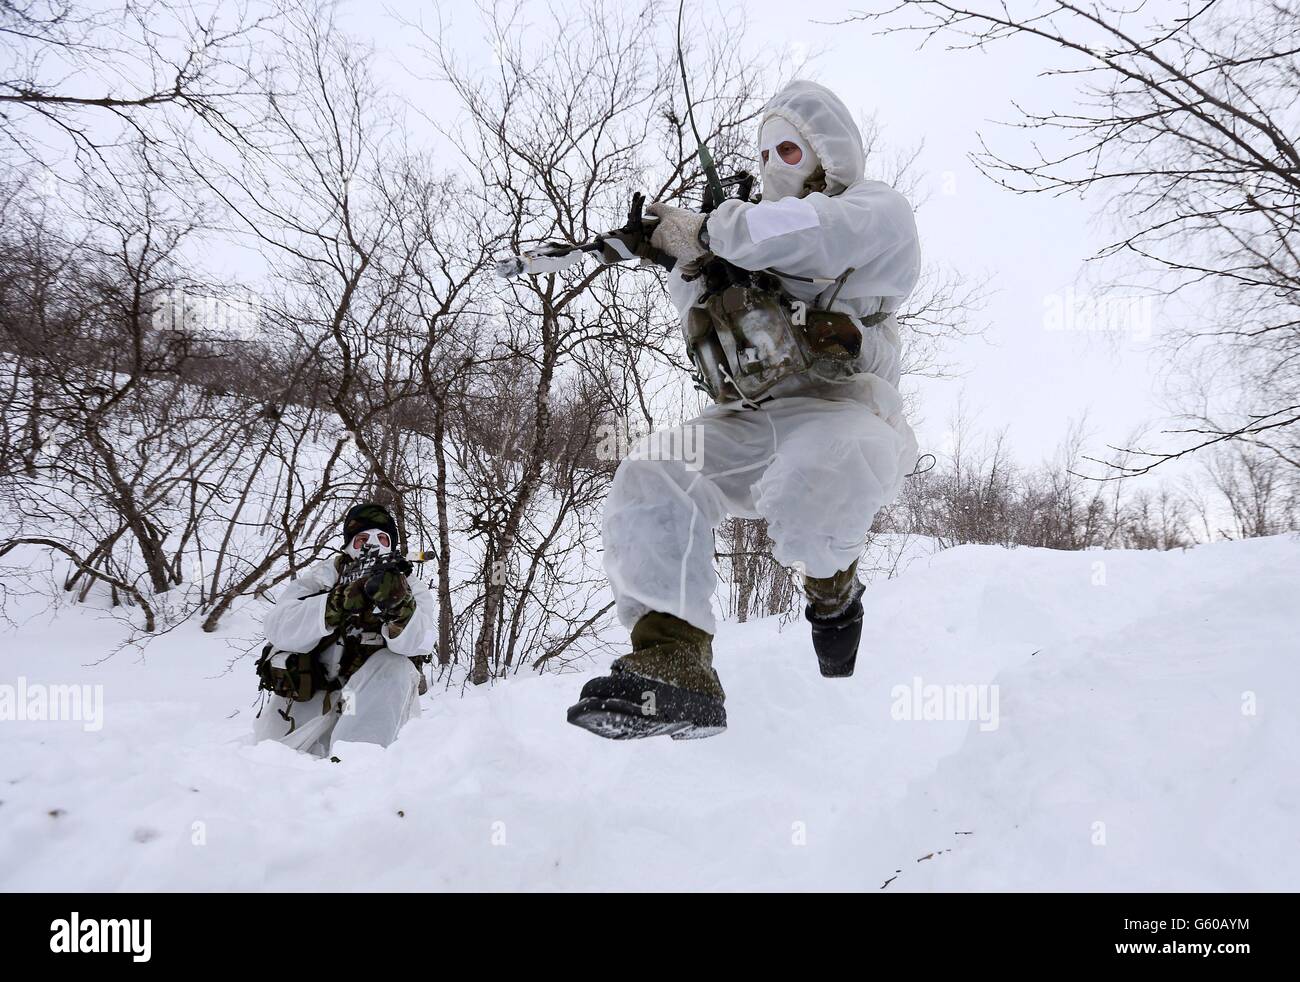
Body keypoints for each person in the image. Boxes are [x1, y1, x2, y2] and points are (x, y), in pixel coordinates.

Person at [566, 80, 921, 741]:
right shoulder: (747, 238)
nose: (773, 167)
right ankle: (675, 662)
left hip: (841, 409)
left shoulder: (874, 212)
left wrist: (708, 229)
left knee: (826, 471)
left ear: (829, 154)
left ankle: (831, 586)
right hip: (754, 417)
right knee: (655, 472)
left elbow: (812, 234)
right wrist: (683, 261)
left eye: (790, 149)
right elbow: (712, 314)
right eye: (764, 156)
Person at [254, 502, 436, 756]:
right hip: (309, 706)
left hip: (366, 704)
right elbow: (278, 628)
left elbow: (425, 640)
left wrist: (399, 608)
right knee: (275, 769)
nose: (372, 546)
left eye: (382, 539)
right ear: (349, 544)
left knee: (396, 665)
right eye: (362, 539)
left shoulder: (409, 586)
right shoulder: (323, 577)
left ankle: (357, 763)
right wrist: (336, 603)